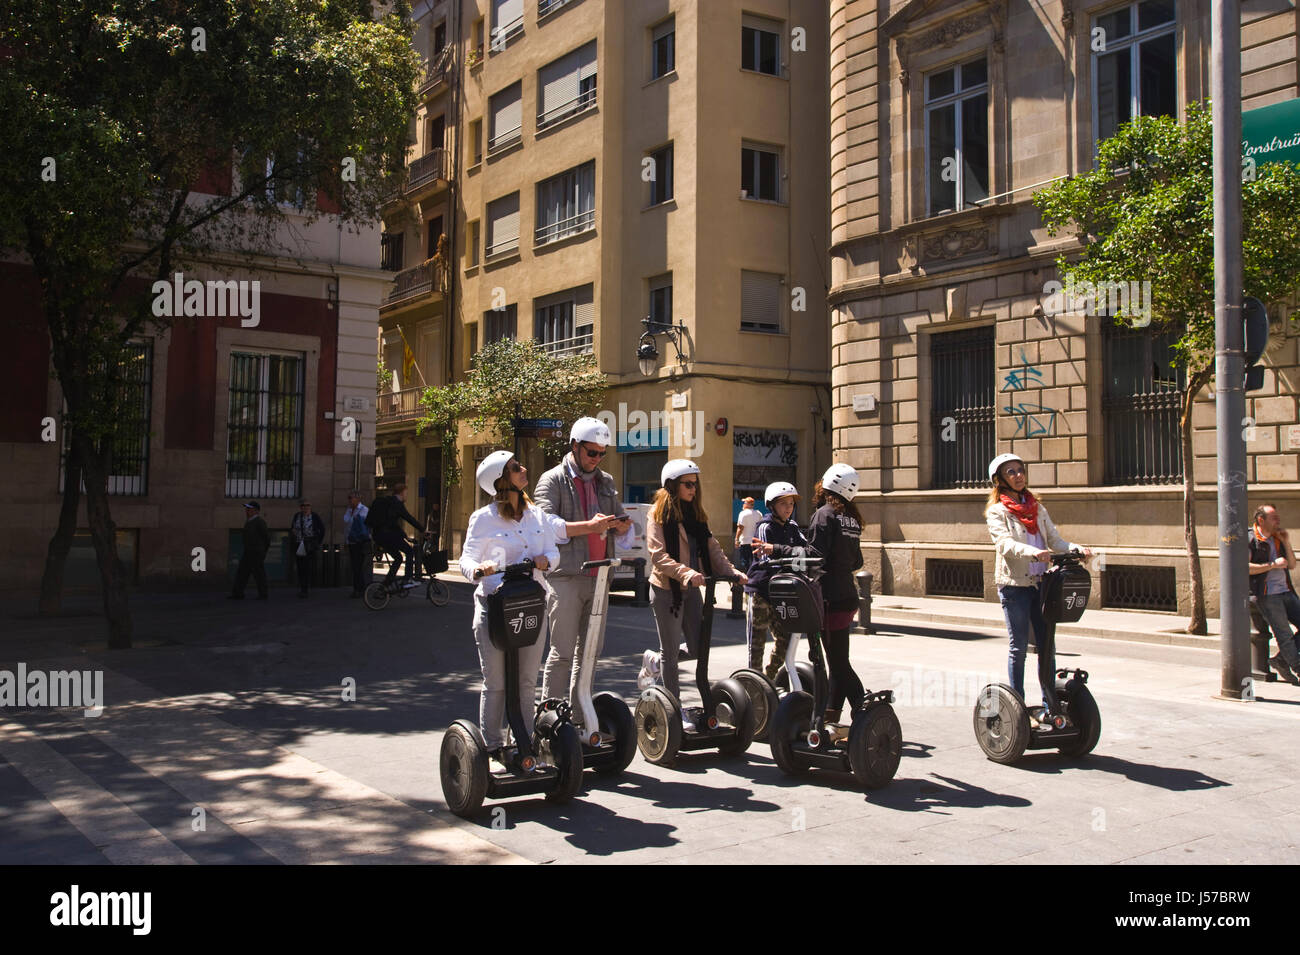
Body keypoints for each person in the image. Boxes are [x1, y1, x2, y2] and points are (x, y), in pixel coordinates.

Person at [459, 450, 560, 767]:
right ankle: (491, 749)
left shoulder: (536, 516)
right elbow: (467, 560)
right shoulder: (484, 519)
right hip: (495, 608)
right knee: (498, 683)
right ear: (501, 480)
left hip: (531, 605)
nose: (524, 468)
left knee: (528, 681)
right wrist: (479, 570)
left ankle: (525, 745)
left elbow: (553, 553)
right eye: (516, 467)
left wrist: (548, 561)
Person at [534, 417, 635, 722]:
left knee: (589, 654)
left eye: (602, 454)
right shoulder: (551, 480)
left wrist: (621, 526)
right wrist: (588, 527)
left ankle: (580, 717)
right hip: (565, 577)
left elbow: (621, 524)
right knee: (562, 652)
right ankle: (549, 720)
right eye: (592, 453)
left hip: (600, 576)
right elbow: (545, 527)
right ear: (575, 447)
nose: (597, 459)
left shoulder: (607, 482)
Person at [638, 459, 746, 731]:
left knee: (699, 647)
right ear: (672, 486)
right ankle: (675, 710)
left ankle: (653, 661)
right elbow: (658, 556)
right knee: (671, 656)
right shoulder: (657, 515)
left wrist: (733, 573)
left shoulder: (696, 515)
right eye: (688, 484)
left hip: (692, 590)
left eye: (695, 484)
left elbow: (713, 548)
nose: (693, 489)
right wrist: (686, 573)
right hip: (667, 591)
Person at [985, 452, 1091, 725]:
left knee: (1047, 647)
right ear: (1000, 480)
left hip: (1042, 585)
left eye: (1021, 470)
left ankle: (1050, 706)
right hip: (1014, 586)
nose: (1019, 475)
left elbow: (1056, 540)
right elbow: (1004, 545)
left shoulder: (1037, 508)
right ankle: (1017, 706)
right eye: (1012, 472)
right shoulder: (998, 512)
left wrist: (1077, 549)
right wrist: (1034, 552)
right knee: (1018, 647)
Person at [805, 464, 868, 733]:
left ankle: (865, 710)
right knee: (837, 659)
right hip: (847, 596)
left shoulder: (824, 515)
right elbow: (858, 560)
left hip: (828, 598)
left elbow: (813, 557)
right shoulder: (851, 519)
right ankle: (832, 713)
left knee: (838, 663)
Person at [746, 482, 815, 680]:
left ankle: (769, 678)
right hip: (760, 592)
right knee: (756, 646)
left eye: (791, 504)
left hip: (782, 593)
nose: (788, 508)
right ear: (771, 505)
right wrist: (794, 560)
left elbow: (807, 552)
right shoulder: (765, 526)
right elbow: (766, 560)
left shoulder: (793, 527)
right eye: (783, 503)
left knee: (786, 639)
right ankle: (754, 684)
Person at [1248, 503, 1300, 685]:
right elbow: (1244, 568)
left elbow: (1292, 565)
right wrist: (1272, 565)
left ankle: (1280, 661)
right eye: (1273, 517)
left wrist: (1286, 541)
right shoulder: (1251, 539)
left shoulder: (1277, 539)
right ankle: (1297, 668)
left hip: (1286, 591)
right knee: (1284, 633)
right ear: (1261, 520)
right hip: (1267, 595)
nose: (1278, 520)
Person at [366, 482, 428, 591]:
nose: (406, 495)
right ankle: (407, 580)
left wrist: (405, 537)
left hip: (379, 536)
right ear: (402, 492)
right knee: (409, 551)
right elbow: (409, 518)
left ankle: (386, 583)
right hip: (389, 536)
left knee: (398, 558)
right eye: (406, 493)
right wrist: (423, 530)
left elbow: (394, 525)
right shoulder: (397, 504)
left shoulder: (388, 503)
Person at [230, 501, 270, 599]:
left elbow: (266, 538)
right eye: (247, 509)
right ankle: (238, 593)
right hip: (248, 551)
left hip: (256, 552)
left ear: (256, 511)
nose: (247, 511)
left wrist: (263, 552)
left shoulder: (259, 522)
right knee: (242, 572)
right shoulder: (249, 521)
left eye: (249, 509)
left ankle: (263, 594)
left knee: (259, 573)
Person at [730, 496, 761, 616]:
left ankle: (747, 581)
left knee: (744, 562)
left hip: (745, 542)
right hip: (754, 541)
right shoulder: (758, 514)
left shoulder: (743, 514)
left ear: (748, 504)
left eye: (744, 502)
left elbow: (740, 528)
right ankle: (753, 579)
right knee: (754, 561)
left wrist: (736, 539)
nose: (742, 504)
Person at [290, 501, 325, 598]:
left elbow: (322, 529)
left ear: (310, 507)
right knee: (300, 566)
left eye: (307, 505)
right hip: (299, 543)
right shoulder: (297, 516)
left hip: (309, 544)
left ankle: (306, 587)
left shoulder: (314, 516)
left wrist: (317, 541)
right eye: (303, 506)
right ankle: (303, 587)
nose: (305, 508)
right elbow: (293, 527)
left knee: (307, 566)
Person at [343, 491, 371, 598]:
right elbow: (347, 528)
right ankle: (358, 588)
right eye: (349, 498)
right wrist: (346, 541)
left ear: (358, 499)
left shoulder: (364, 510)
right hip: (352, 542)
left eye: (351, 498)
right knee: (355, 566)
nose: (350, 500)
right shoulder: (349, 510)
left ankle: (360, 588)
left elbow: (364, 527)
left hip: (361, 542)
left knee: (358, 566)